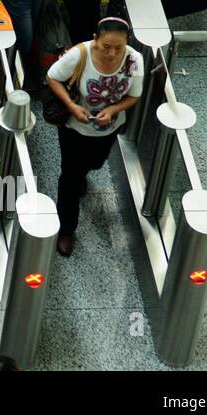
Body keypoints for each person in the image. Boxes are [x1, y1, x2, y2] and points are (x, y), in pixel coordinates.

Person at [46, 18, 143, 258]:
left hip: (107, 129)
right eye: (106, 46)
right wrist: (70, 106)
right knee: (69, 176)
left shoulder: (133, 60)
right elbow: (52, 77)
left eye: (118, 48)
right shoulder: (80, 55)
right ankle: (66, 228)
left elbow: (133, 96)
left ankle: (80, 176)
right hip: (74, 129)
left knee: (95, 163)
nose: (112, 53)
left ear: (127, 43)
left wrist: (112, 110)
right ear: (95, 39)